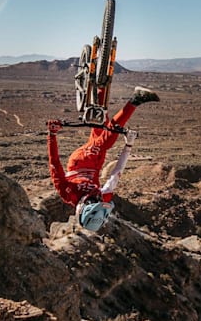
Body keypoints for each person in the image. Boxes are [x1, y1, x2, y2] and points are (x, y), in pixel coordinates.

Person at [47, 86, 159, 231]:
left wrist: (52, 135)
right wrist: (128, 145)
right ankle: (100, 85)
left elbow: (54, 163)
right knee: (100, 121)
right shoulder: (102, 198)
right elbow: (117, 173)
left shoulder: (68, 192)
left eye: (92, 201)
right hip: (96, 163)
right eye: (97, 201)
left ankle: (135, 100)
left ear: (83, 206)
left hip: (79, 161)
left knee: (106, 140)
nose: (95, 198)